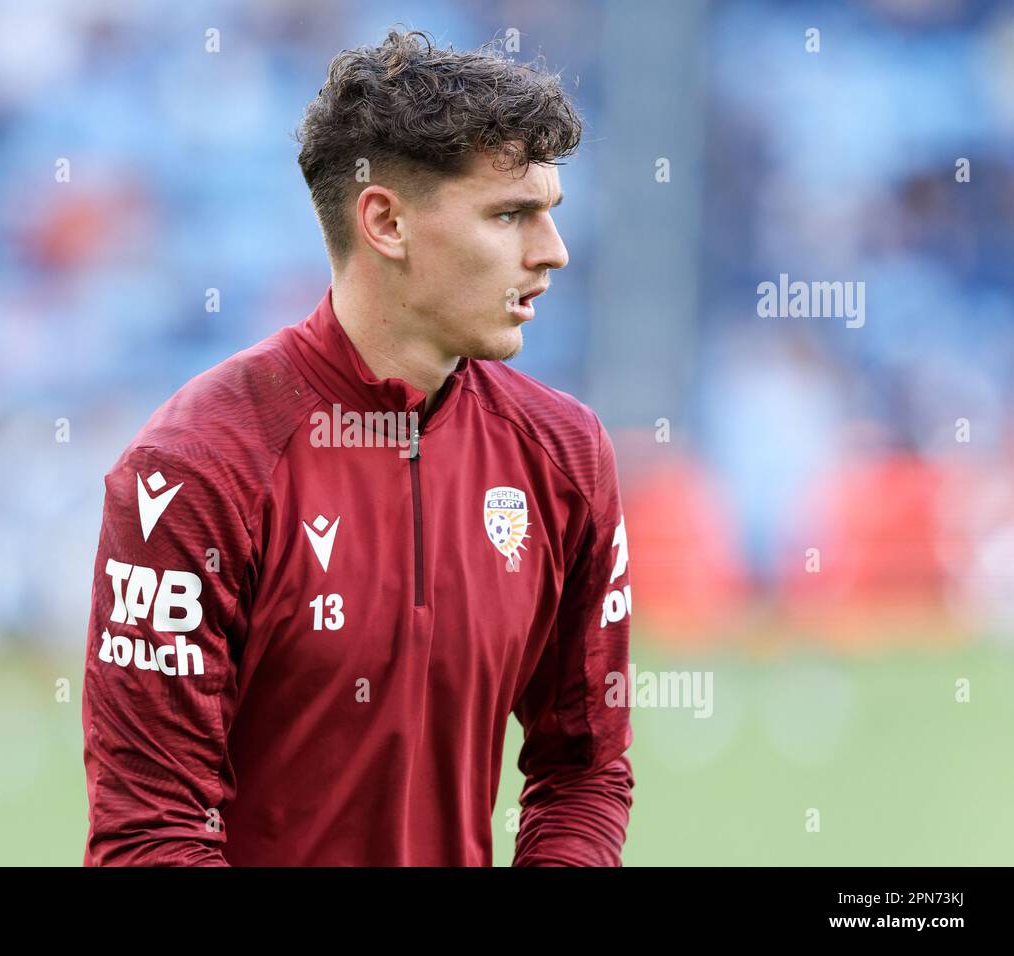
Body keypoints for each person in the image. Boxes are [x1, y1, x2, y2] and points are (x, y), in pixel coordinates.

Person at [82, 27, 634, 866]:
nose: (551, 252)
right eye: (511, 214)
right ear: (385, 221)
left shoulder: (565, 454)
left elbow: (585, 769)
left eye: (550, 212)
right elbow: (150, 832)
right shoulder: (194, 470)